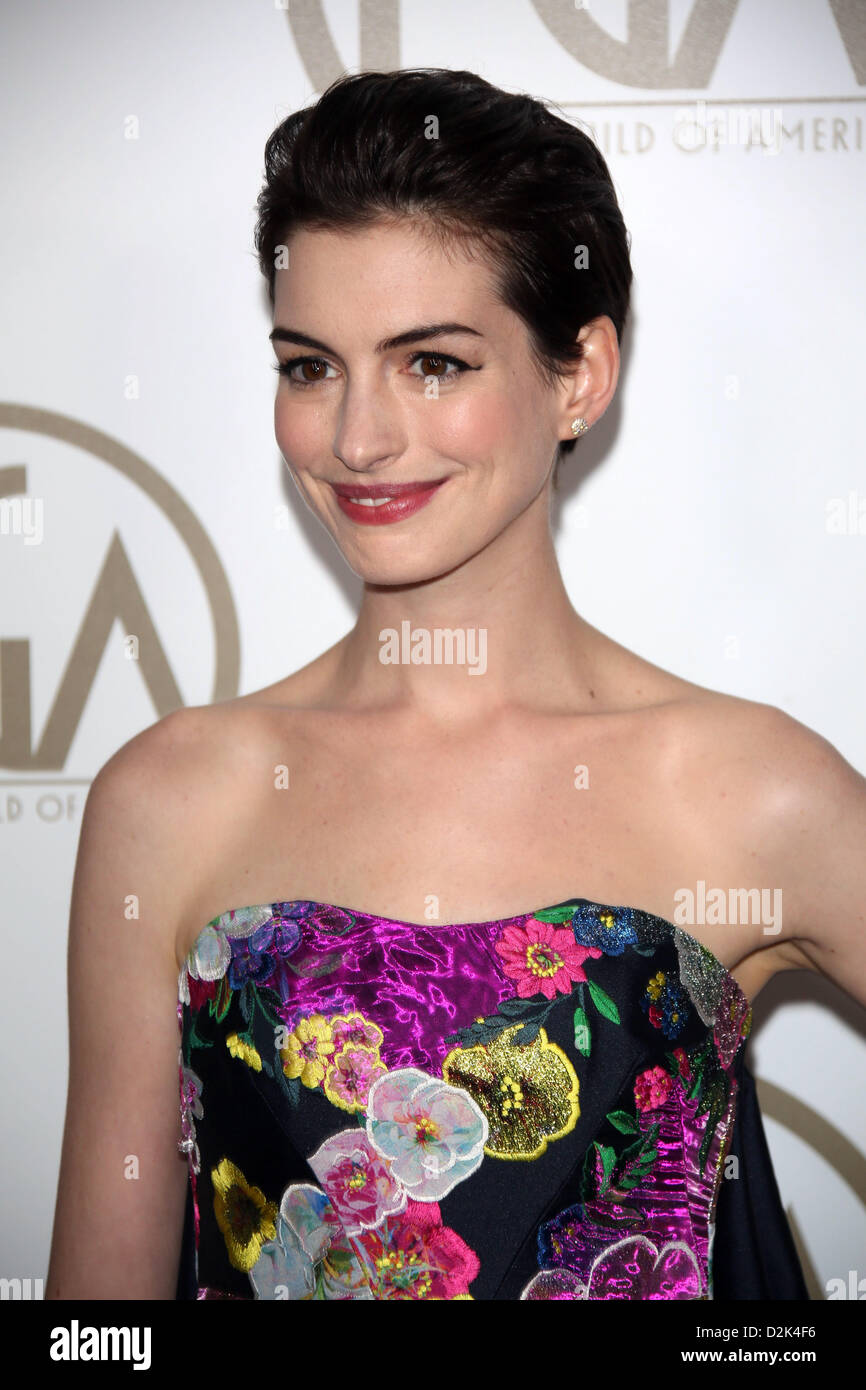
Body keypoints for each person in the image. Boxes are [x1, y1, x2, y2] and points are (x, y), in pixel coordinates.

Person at [46, 67, 866, 1302]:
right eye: (310, 365)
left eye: (430, 363)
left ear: (578, 374)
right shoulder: (168, 798)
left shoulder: (752, 789)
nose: (358, 438)